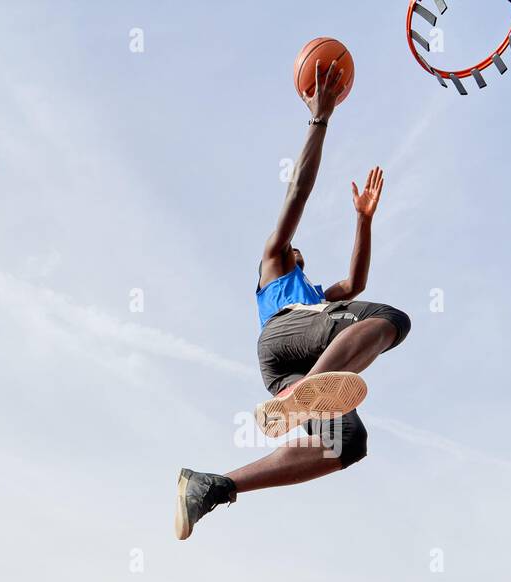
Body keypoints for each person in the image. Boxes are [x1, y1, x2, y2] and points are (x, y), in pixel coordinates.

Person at [175, 60, 412, 540]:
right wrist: (319, 120)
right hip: (289, 335)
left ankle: (212, 487)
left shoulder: (315, 295)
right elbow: (297, 193)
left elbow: (356, 284)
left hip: (288, 365)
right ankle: (304, 398)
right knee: (390, 319)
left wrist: (363, 221)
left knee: (349, 443)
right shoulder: (274, 261)